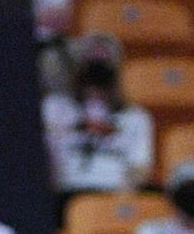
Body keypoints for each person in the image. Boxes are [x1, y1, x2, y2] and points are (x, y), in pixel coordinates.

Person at [43, 37, 153, 211]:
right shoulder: (55, 108)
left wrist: (117, 202)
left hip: (111, 194)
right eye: (92, 62)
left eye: (104, 64)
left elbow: (139, 167)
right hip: (66, 193)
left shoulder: (135, 117)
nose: (97, 72)